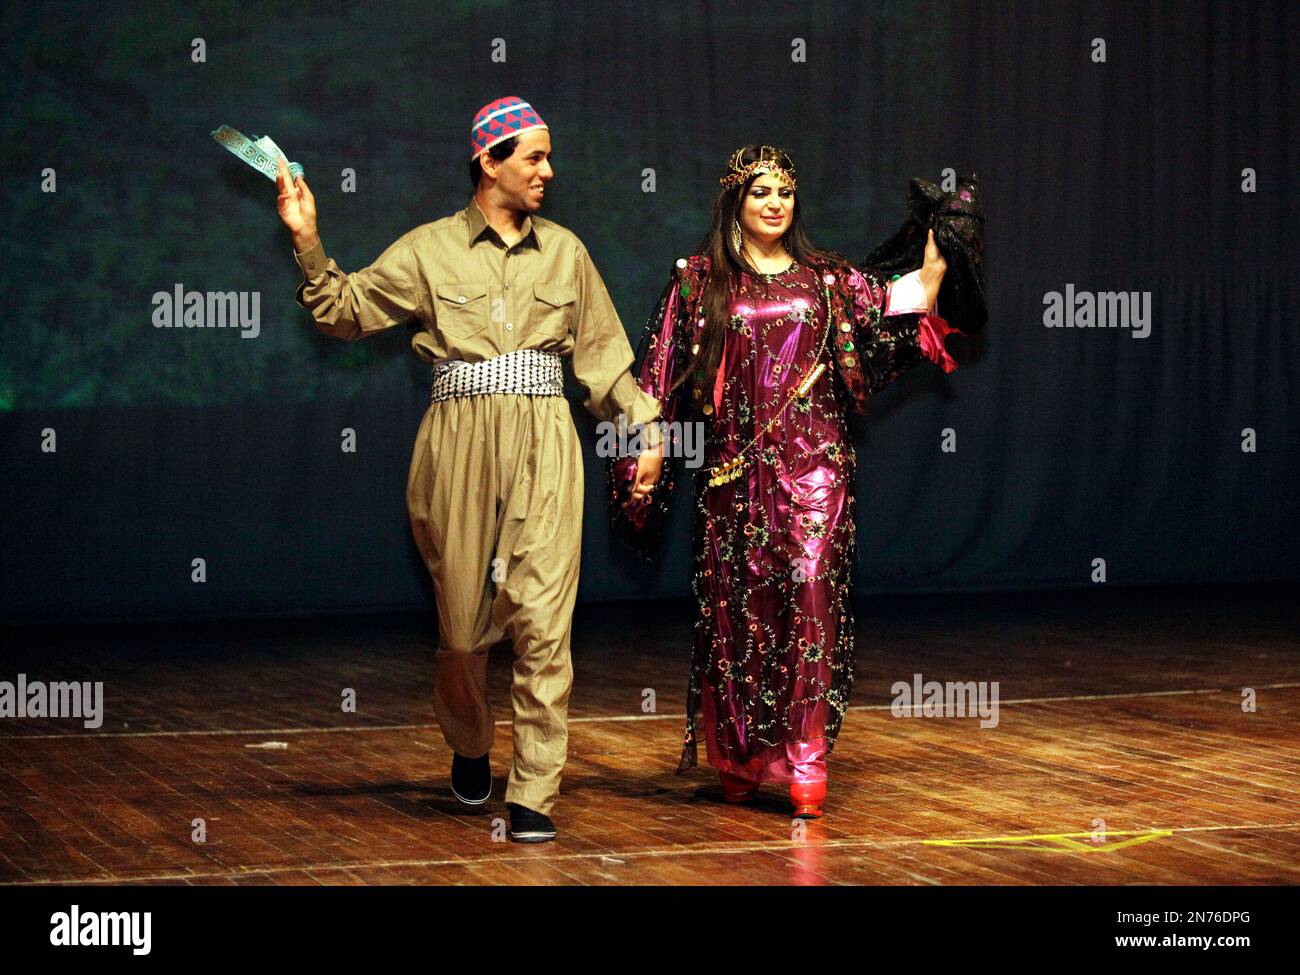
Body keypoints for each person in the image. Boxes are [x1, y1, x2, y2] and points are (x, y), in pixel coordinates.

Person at [276, 96, 659, 842]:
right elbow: (343, 309)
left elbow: (605, 360)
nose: (548, 170)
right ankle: (471, 740)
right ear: (489, 160)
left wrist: (644, 427)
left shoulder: (567, 252)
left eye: (549, 157)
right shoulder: (429, 249)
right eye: (534, 157)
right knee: (461, 631)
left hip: (545, 440)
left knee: (545, 622)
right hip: (457, 443)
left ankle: (533, 793)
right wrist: (310, 241)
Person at [610, 145, 963, 819]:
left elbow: (903, 299)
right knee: (739, 616)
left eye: (787, 192)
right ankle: (741, 756)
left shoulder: (827, 280)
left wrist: (941, 241)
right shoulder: (697, 280)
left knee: (810, 606)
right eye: (761, 191)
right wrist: (644, 454)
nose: (776, 203)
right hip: (733, 481)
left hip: (817, 475)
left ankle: (805, 763)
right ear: (734, 202)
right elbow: (656, 378)